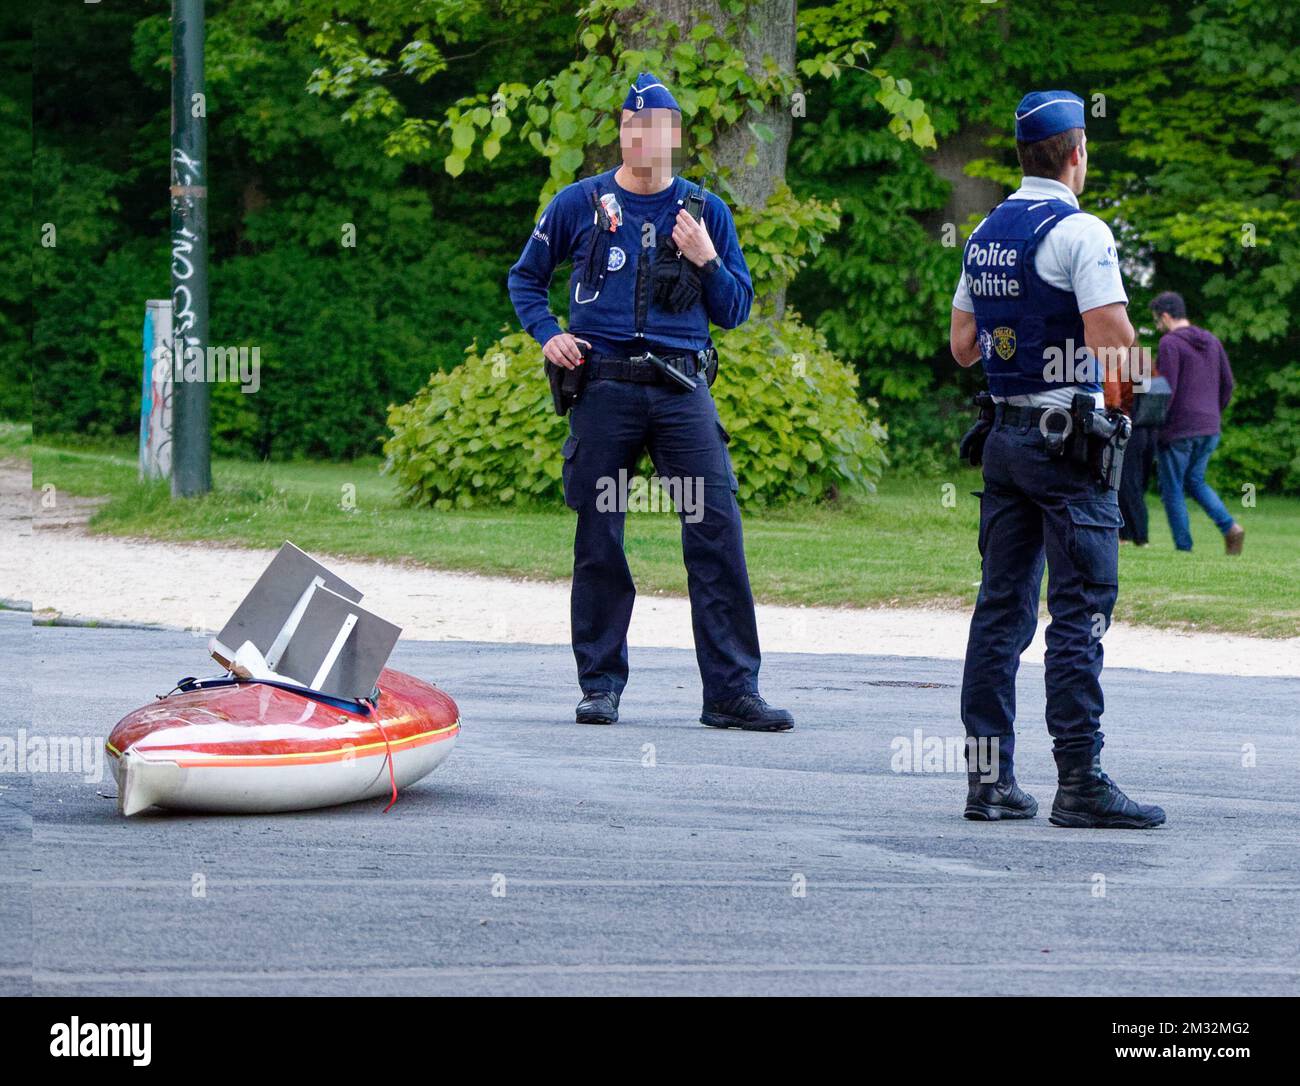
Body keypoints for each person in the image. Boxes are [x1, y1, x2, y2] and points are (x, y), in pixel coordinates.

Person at [507, 72, 793, 732]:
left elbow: (736, 310)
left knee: (716, 530)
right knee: (600, 536)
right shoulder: (579, 203)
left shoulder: (703, 211)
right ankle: (600, 685)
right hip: (604, 386)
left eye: (655, 127)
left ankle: (731, 691)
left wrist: (707, 259)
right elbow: (525, 278)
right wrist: (549, 335)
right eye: (631, 127)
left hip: (679, 389)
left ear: (674, 137)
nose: (641, 138)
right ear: (622, 134)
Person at [949, 90, 1165, 829]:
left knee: (1000, 611)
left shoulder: (984, 234)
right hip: (1066, 442)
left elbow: (964, 346)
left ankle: (988, 782)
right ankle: (1080, 781)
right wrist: (1126, 408)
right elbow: (1114, 339)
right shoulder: (1080, 231)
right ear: (1077, 152)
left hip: (1005, 439)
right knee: (1079, 612)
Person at [1149, 291, 1244, 554]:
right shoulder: (1212, 341)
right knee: (1195, 480)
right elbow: (1228, 384)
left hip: (1179, 428)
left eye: (1157, 320)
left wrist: (1157, 426)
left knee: (1172, 489)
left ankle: (1184, 547)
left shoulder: (1170, 343)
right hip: (1210, 426)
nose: (1158, 326)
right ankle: (1230, 527)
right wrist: (1214, 412)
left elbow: (1166, 389)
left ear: (1166, 316)